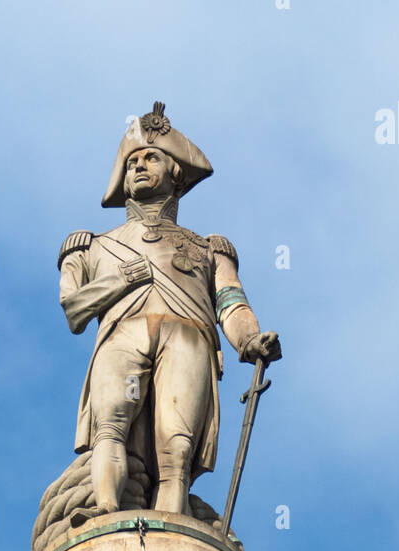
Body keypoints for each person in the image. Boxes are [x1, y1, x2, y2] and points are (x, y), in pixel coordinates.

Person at [59, 102, 281, 524]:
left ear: (175, 172)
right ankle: (105, 507)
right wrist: (120, 281)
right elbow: (74, 310)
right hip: (121, 335)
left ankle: (172, 526)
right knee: (111, 427)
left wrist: (249, 340)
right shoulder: (92, 246)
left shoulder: (209, 247)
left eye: (151, 158)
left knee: (176, 445)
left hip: (189, 337)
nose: (140, 166)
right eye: (133, 162)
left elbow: (231, 301)